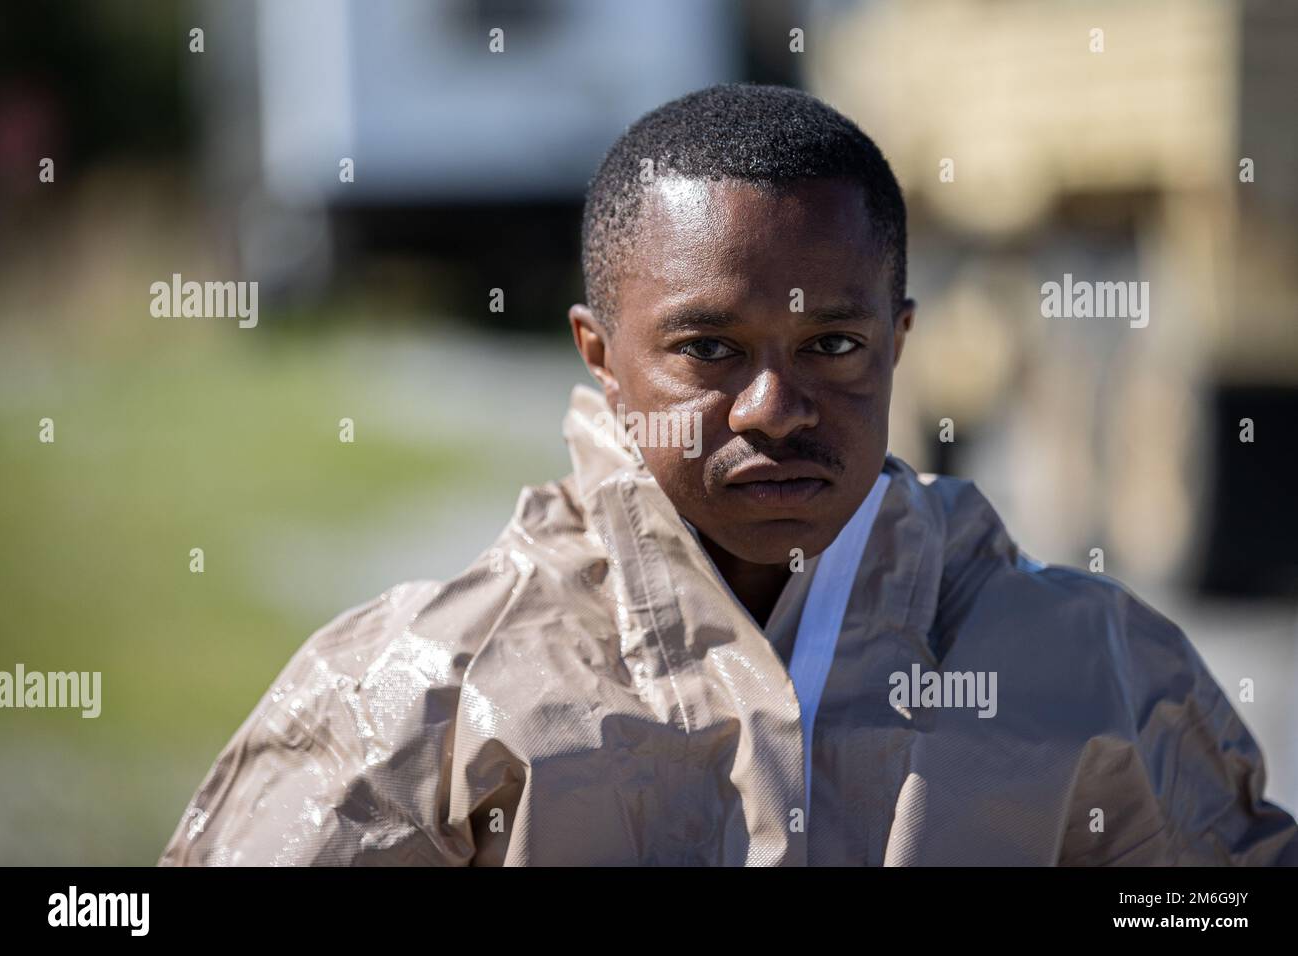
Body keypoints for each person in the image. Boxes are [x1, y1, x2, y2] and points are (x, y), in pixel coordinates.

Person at [159, 83, 1297, 866]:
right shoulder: (426, 692)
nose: (775, 407)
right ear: (600, 355)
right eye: (709, 349)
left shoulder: (1091, 667)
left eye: (833, 348)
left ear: (901, 339)